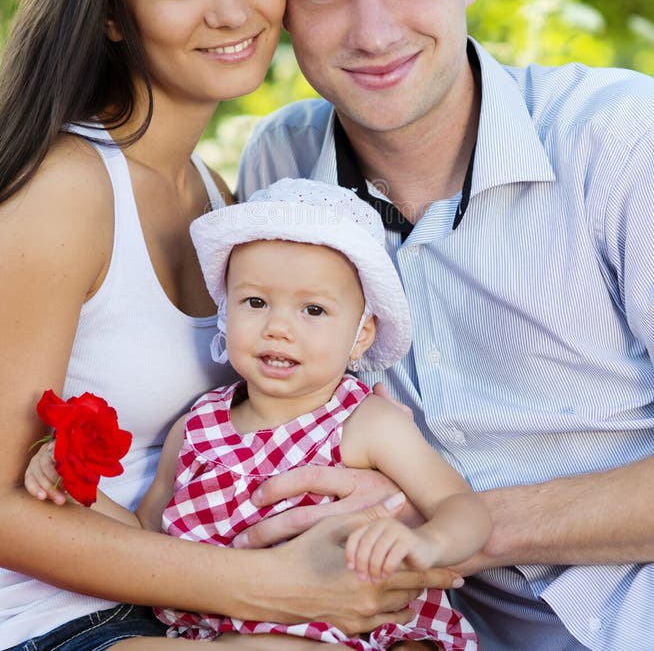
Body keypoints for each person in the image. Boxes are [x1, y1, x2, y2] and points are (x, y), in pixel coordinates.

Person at [0, 0, 446, 651]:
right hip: (53, 621)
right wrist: (269, 589)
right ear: (109, 11)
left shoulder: (220, 197)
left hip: (184, 605)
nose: (234, 7)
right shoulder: (67, 190)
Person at [236, 0, 654, 651]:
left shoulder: (621, 140)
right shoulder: (278, 168)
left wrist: (446, 524)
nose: (373, 30)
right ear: (282, 4)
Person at [26, 177, 491, 650]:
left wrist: (428, 544)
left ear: (362, 334)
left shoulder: (364, 423)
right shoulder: (197, 428)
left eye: (313, 309)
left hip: (360, 627)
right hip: (232, 628)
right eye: (255, 302)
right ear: (225, 312)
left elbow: (461, 506)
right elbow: (150, 535)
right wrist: (76, 486)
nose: (278, 328)